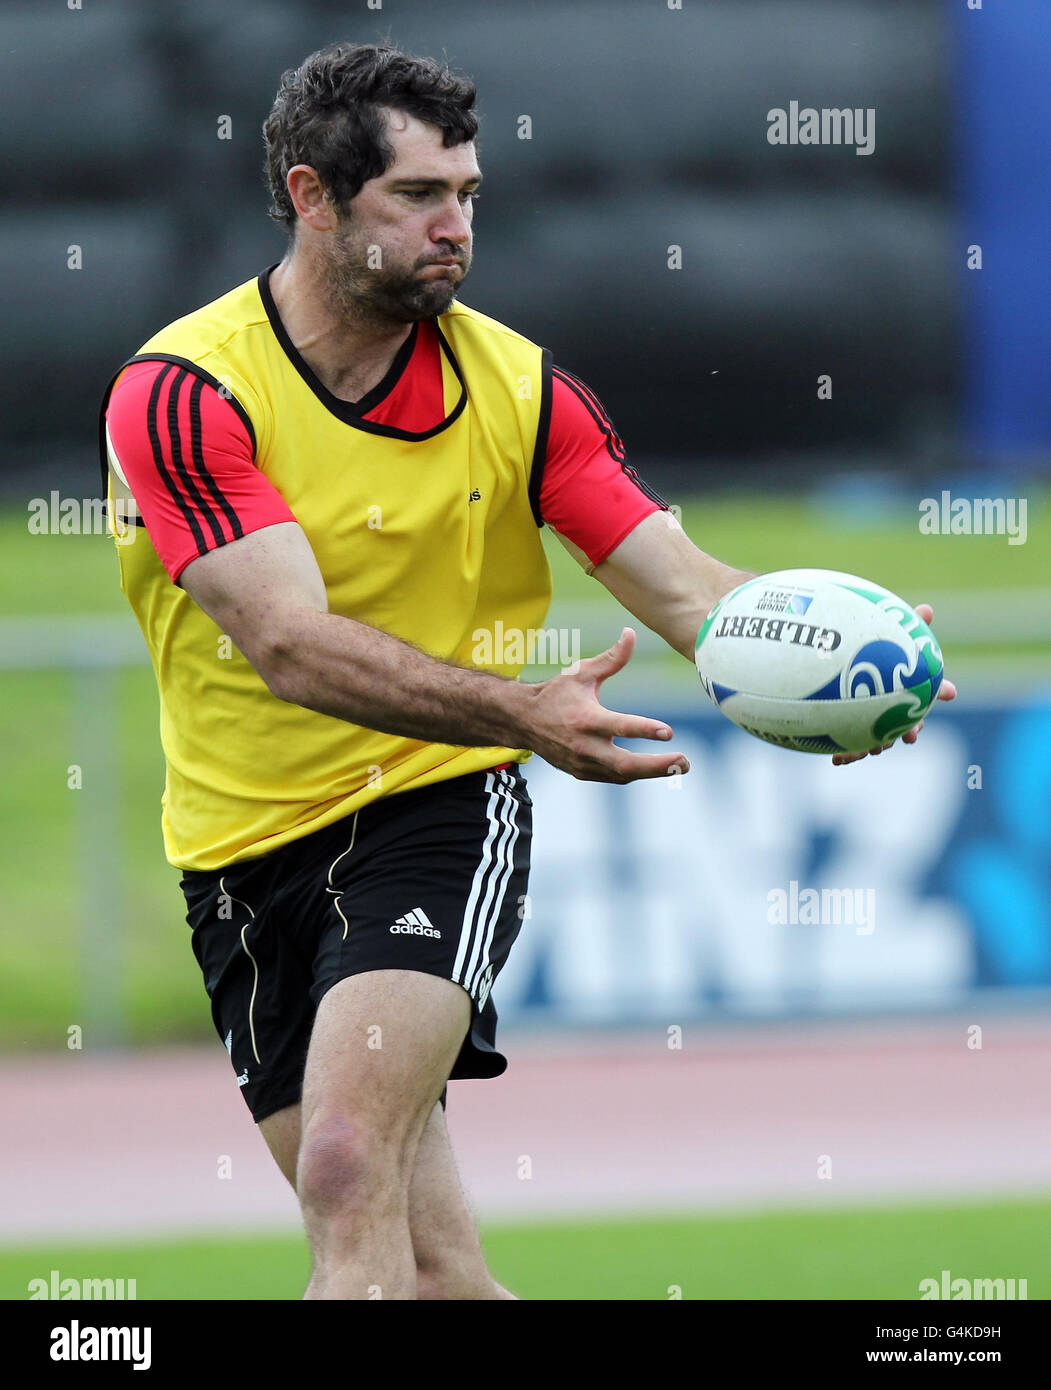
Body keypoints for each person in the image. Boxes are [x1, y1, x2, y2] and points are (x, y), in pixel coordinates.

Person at [98, 41, 954, 1300]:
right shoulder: (183, 392)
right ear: (311, 195)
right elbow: (285, 641)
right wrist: (520, 702)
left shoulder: (523, 391)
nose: (456, 226)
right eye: (419, 197)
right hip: (235, 848)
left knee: (344, 1164)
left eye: (470, 195)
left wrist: (857, 656)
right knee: (438, 1269)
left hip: (435, 805)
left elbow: (688, 591)